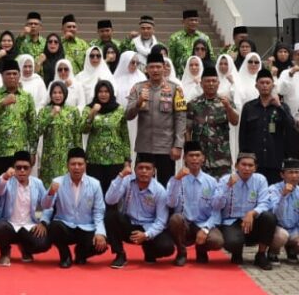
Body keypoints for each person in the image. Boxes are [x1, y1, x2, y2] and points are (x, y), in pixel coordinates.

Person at [125, 48, 186, 178]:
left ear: (164, 68)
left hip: (166, 148)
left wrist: (178, 145)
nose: (155, 70)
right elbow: (128, 115)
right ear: (146, 69)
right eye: (151, 67)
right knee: (142, 185)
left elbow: (180, 119)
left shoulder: (175, 89)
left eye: (158, 67)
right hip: (144, 147)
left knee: (166, 186)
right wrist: (139, 102)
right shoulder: (138, 88)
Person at [45, 147, 109, 268]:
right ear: (67, 165)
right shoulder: (57, 182)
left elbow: (99, 212)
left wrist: (100, 233)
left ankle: (81, 254)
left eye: (80, 164)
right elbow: (46, 206)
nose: (76, 167)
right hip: (65, 226)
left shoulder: (95, 184)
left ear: (85, 165)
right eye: (73, 164)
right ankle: (65, 255)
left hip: (86, 227)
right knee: (54, 226)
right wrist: (51, 193)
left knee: (102, 243)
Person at [105, 159, 176, 268]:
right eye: (140, 168)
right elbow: (110, 200)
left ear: (153, 171)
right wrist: (121, 175)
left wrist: (146, 235)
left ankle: (149, 251)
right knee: (110, 215)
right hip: (129, 225)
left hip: (148, 228)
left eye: (148, 168)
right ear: (135, 170)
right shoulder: (127, 181)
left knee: (167, 247)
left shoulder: (160, 190)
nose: (144, 171)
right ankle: (120, 254)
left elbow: (161, 221)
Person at [0, 150, 51, 267]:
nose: (22, 171)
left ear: (30, 169)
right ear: (13, 168)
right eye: (18, 167)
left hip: (29, 225)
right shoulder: (6, 180)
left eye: (25, 168)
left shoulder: (37, 183)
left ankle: (26, 249)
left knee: (44, 243)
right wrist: (5, 177)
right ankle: (5, 252)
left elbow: (47, 205)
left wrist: (43, 222)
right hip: (9, 224)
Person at [212, 152, 277, 269]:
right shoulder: (226, 180)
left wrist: (252, 213)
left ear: (255, 167)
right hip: (231, 221)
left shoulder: (260, 180)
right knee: (233, 242)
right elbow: (216, 205)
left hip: (252, 219)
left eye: (250, 165)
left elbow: (265, 202)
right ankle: (237, 253)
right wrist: (227, 187)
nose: (247, 168)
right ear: (236, 166)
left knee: (269, 217)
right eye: (243, 164)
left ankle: (261, 255)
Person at [165, 142, 222, 266]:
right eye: (191, 155)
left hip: (202, 223)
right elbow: (171, 203)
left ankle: (201, 250)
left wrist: (206, 229)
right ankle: (181, 252)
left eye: (197, 155)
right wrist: (177, 181)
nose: (194, 159)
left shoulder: (211, 182)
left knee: (217, 241)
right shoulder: (175, 179)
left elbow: (216, 210)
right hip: (184, 224)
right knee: (175, 219)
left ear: (203, 158)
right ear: (184, 158)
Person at [0, 58, 38, 177]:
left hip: (20, 152)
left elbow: (33, 125)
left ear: (19, 76)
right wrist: (2, 103)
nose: (12, 77)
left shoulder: (26, 97)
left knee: (18, 188)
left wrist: (32, 151)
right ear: (2, 76)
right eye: (8, 74)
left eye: (15, 74)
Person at [238, 70, 295, 185]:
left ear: (273, 85)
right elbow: (242, 135)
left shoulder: (282, 106)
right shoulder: (249, 107)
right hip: (254, 162)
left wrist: (279, 106)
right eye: (262, 83)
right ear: (256, 85)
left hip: (275, 160)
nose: (264, 85)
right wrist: (243, 159)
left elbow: (291, 126)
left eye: (267, 83)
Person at [186, 61, 238, 177]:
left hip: (221, 159)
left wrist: (228, 108)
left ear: (218, 83)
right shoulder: (193, 104)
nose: (210, 84)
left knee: (221, 193)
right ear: (201, 84)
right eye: (207, 81)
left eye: (213, 81)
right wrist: (189, 152)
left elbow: (235, 121)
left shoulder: (226, 102)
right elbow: (188, 130)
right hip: (199, 160)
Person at [260, 158, 299, 267]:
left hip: (294, 230)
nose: (294, 176)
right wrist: (283, 196)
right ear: (282, 175)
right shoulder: (273, 190)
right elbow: (275, 214)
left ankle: (292, 250)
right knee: (282, 235)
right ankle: (272, 252)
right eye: (290, 172)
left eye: (297, 172)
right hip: (277, 229)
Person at [34, 80, 85, 184]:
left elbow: (77, 137)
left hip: (68, 157)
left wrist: (79, 158)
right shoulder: (44, 111)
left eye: (60, 93)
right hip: (50, 158)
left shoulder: (73, 111)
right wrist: (51, 115)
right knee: (51, 188)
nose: (57, 95)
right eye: (54, 93)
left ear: (65, 94)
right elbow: (37, 131)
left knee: (67, 188)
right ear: (51, 95)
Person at [83, 79, 130, 190]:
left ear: (111, 93)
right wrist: (92, 113)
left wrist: (127, 159)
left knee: (113, 193)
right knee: (95, 192)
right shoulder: (89, 108)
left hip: (115, 160)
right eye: (100, 91)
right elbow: (84, 129)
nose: (103, 94)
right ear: (96, 93)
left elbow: (125, 135)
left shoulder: (119, 110)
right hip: (95, 159)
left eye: (106, 91)